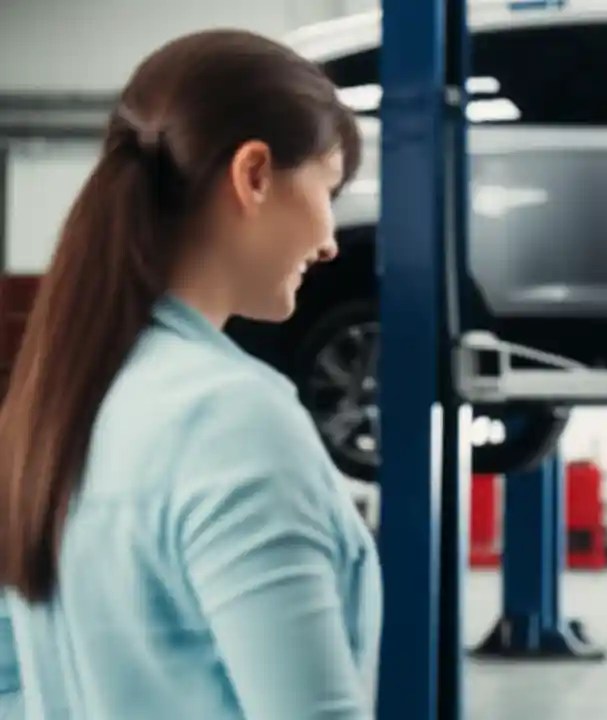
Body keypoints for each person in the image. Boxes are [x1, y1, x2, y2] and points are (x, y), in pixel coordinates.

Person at [0, 30, 381, 719]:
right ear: (254, 174)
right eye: (328, 188)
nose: (330, 240)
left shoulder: (56, 405)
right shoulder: (233, 420)